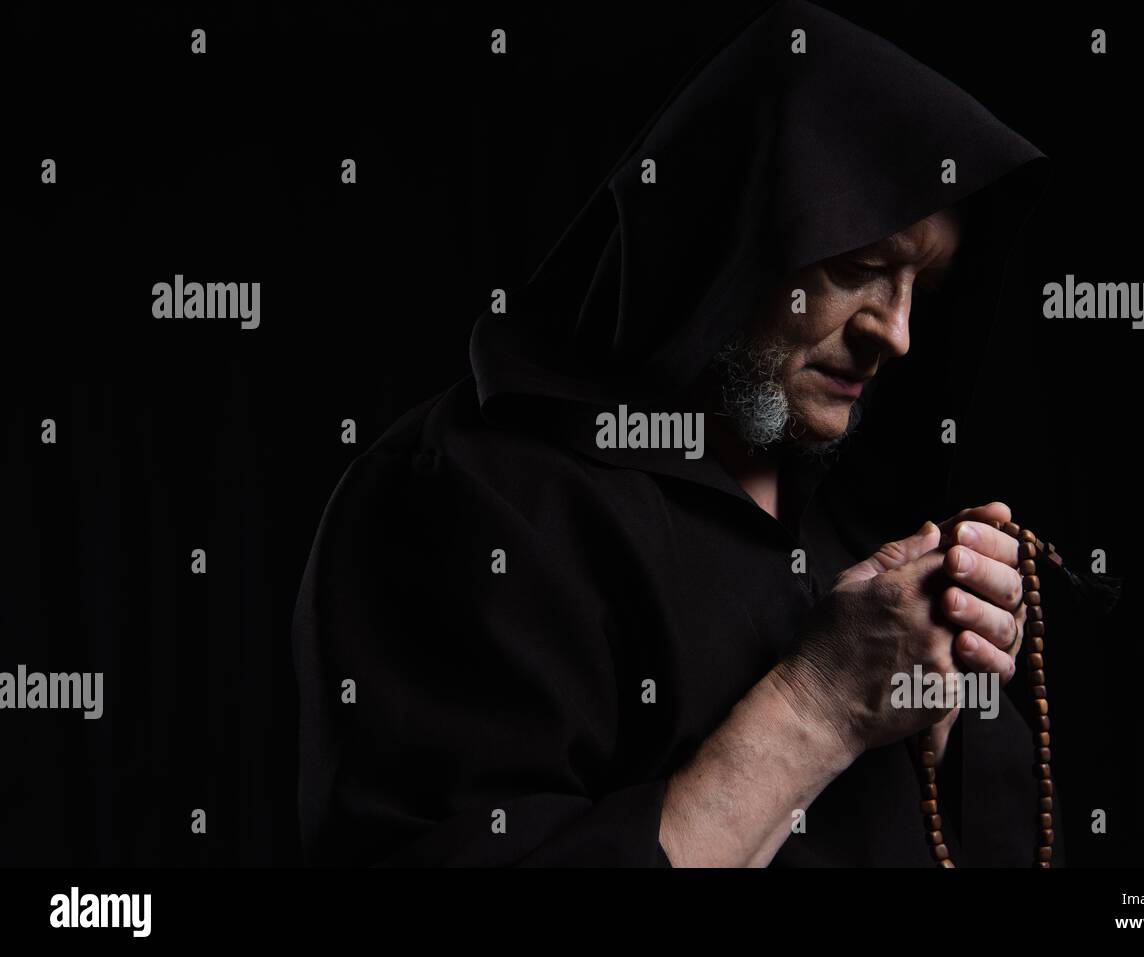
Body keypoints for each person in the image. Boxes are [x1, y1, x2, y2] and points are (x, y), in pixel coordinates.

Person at [292, 0, 1057, 866]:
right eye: (859, 267)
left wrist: (948, 709)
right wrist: (820, 703)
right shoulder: (466, 498)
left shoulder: (861, 515)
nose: (897, 332)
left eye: (923, 284)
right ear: (731, 231)